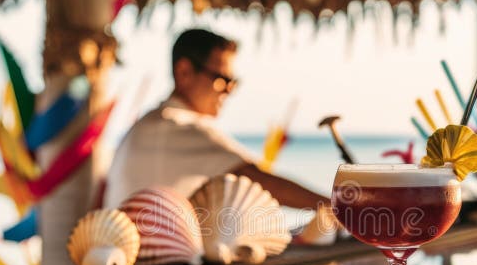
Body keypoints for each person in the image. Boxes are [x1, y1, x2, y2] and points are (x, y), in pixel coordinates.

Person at [104, 29, 327, 210]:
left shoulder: (152, 125)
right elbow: (264, 183)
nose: (229, 90)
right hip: (150, 259)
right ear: (184, 72)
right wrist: (341, 210)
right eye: (221, 79)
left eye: (234, 82)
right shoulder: (176, 127)